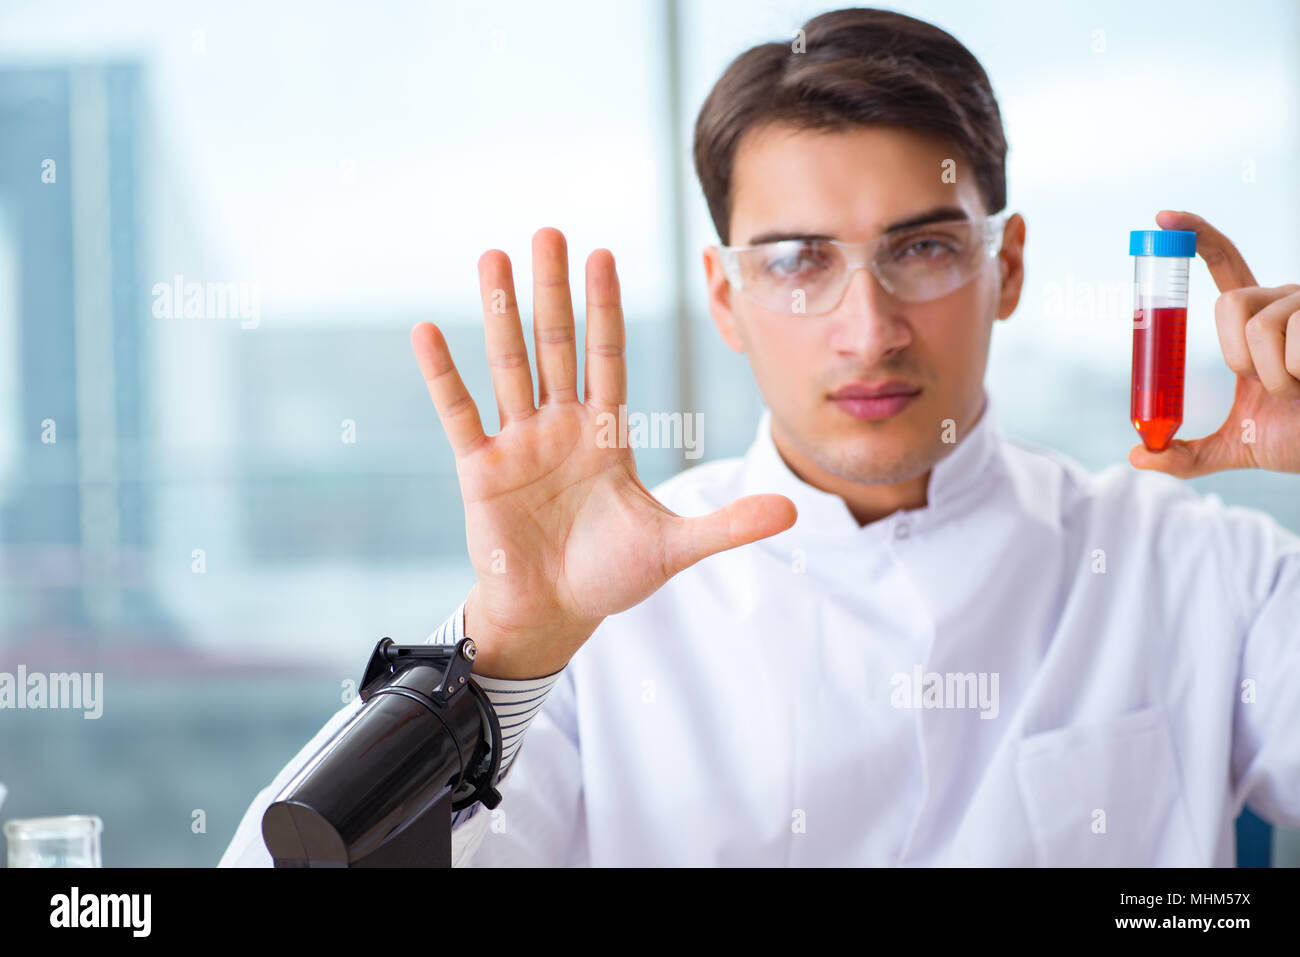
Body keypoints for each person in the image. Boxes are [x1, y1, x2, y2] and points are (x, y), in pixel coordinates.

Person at [220, 7, 1300, 867]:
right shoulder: (595, 615)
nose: (867, 328)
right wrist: (496, 663)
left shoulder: (1197, 566)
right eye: (795, 260)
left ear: (1004, 267)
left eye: (921, 248)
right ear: (725, 300)